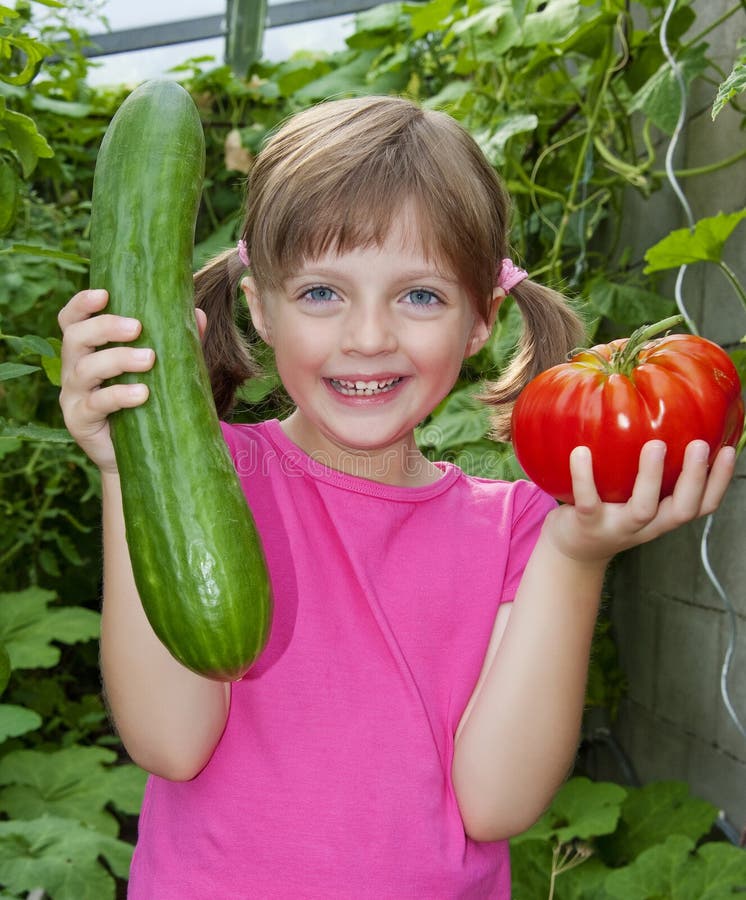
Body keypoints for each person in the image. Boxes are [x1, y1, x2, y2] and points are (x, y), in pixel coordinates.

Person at [57, 95, 735, 899]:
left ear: (481, 317)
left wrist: (575, 556)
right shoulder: (209, 481)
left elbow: (496, 802)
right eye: (321, 294)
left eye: (419, 296)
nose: (368, 336)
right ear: (259, 307)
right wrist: (126, 467)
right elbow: (171, 742)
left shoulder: (522, 532)